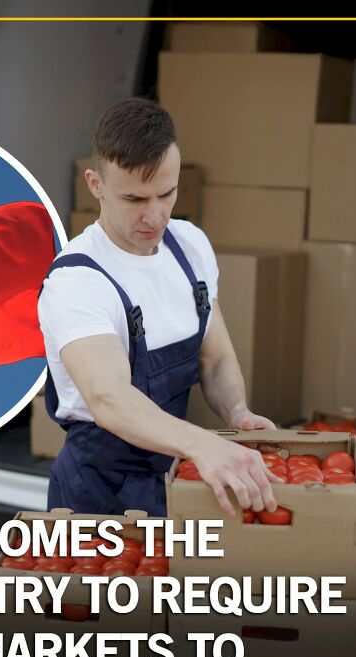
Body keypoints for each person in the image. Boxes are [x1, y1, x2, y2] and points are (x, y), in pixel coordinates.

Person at [38, 98, 280, 519]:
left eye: (166, 193)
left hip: (177, 473)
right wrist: (204, 444)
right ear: (96, 184)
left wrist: (236, 412)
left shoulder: (190, 247)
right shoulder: (77, 281)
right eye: (134, 198)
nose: (154, 215)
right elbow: (109, 397)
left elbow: (215, 355)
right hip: (99, 492)